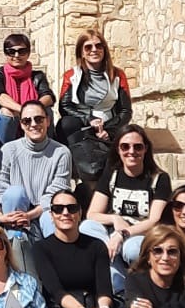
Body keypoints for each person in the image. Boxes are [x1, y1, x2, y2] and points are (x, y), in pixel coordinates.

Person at [86, 126, 173, 287]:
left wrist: (123, 234)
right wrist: (114, 218)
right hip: (113, 232)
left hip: (142, 234)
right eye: (125, 146)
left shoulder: (159, 179)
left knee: (132, 249)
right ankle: (117, 285)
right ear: (118, 149)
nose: (131, 151)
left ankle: (127, 285)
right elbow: (92, 214)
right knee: (86, 228)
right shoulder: (112, 174)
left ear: (146, 149)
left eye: (137, 147)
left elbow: (154, 220)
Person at [0, 101, 74, 266]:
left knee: (52, 217)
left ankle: (60, 270)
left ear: (48, 121)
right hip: (14, 214)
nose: (33, 124)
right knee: (14, 194)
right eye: (27, 121)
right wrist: (1, 216)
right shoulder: (8, 150)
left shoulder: (61, 153)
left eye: (38, 119)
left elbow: (57, 193)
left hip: (43, 212)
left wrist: (30, 215)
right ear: (21, 125)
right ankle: (17, 260)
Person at [55, 29, 132, 190]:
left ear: (104, 49)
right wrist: (89, 119)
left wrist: (108, 130)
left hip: (109, 123)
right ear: (82, 53)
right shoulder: (72, 75)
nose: (94, 50)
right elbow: (65, 106)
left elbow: (125, 111)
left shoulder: (117, 75)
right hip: (83, 123)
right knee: (66, 124)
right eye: (88, 47)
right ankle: (78, 171)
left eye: (98, 46)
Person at [0, 32, 55, 143]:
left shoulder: (37, 76)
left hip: (32, 120)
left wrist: (33, 111)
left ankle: (43, 147)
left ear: (28, 53)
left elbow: (48, 96)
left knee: (45, 111)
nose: (16, 55)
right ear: (6, 53)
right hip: (8, 121)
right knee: (7, 111)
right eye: (11, 51)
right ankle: (5, 150)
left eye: (21, 51)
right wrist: (24, 110)